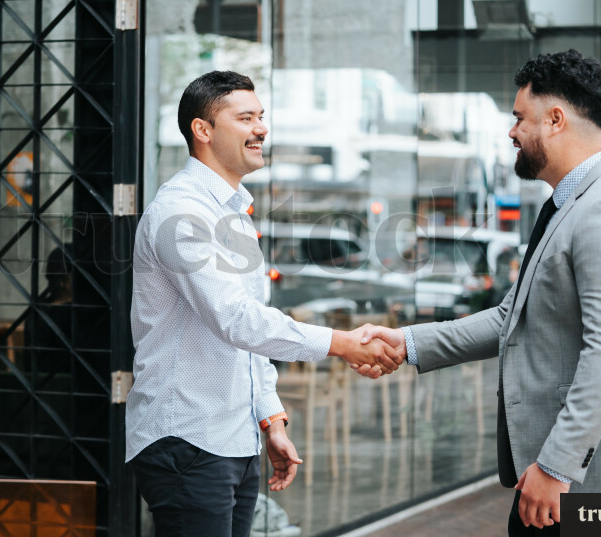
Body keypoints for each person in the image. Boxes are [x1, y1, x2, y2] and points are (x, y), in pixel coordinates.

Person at [359, 50, 601, 535]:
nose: (512, 132)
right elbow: (509, 318)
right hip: (571, 476)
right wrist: (407, 343)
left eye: (519, 118)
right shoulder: (569, 204)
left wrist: (557, 466)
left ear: (555, 120)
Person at [126, 70, 401, 537]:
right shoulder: (180, 214)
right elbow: (236, 320)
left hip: (232, 438)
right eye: (246, 117)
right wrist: (340, 342)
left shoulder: (230, 210)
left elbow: (245, 334)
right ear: (203, 130)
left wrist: (270, 417)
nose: (261, 128)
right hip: (187, 436)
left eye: (262, 117)